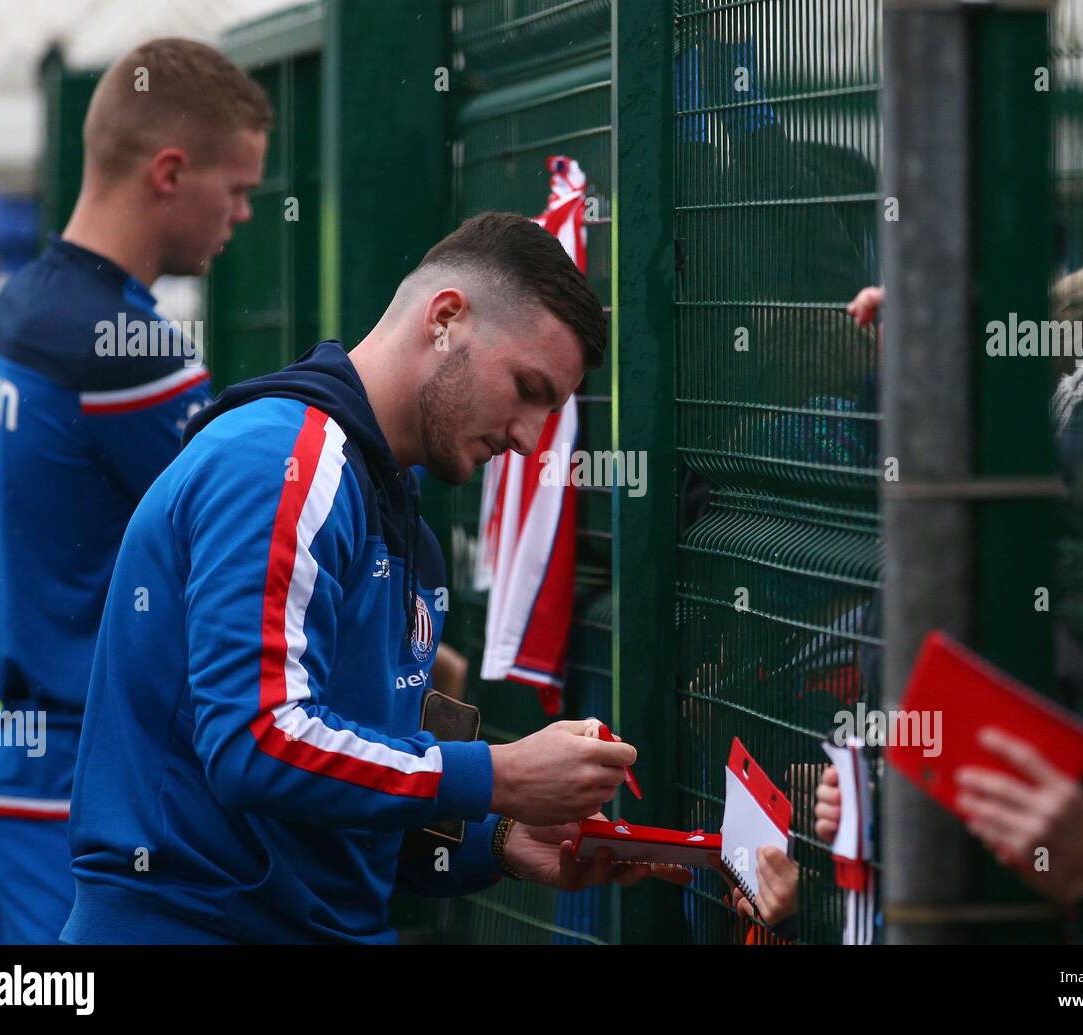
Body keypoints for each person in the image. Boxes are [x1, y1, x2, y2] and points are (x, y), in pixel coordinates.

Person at [60, 212, 686, 945]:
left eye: (547, 415)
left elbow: (336, 793)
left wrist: (498, 838)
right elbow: (258, 741)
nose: (525, 437)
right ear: (446, 318)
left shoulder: (394, 517)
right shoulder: (284, 461)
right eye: (526, 388)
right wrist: (498, 772)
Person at [0, 37, 272, 943]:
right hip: (86, 798)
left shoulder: (26, 306)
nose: (246, 214)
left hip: (23, 775)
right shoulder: (126, 351)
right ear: (171, 172)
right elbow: (250, 537)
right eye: (240, 187)